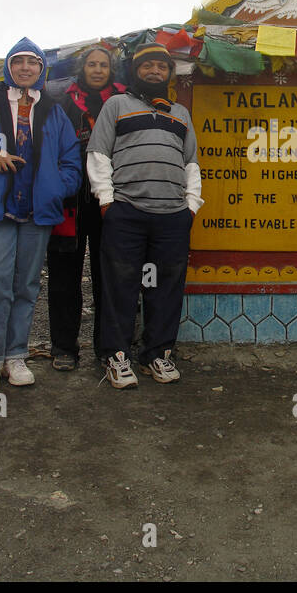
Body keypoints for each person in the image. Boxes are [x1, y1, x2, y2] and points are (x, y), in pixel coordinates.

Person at [0, 39, 81, 391]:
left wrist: (54, 187)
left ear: (42, 69)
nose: (25, 67)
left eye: (33, 62)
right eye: (19, 61)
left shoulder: (53, 109)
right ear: (9, 66)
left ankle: (16, 355)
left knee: (25, 285)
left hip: (37, 211)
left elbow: (71, 161)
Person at [87, 43, 201, 389]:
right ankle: (116, 356)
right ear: (135, 71)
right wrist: (107, 202)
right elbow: (98, 153)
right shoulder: (117, 105)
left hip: (171, 218)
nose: (155, 72)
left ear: (168, 74)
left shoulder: (180, 113)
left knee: (165, 288)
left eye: (161, 67)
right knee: (120, 285)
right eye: (147, 66)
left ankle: (157, 353)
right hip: (127, 214)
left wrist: (190, 206)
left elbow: (191, 162)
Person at [45, 45, 125, 371]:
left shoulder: (123, 101)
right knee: (65, 276)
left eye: (103, 65)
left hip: (110, 199)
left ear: (111, 69)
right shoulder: (61, 102)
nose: (96, 69)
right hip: (69, 201)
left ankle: (108, 347)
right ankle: (64, 347)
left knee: (110, 275)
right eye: (91, 64)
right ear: (83, 68)